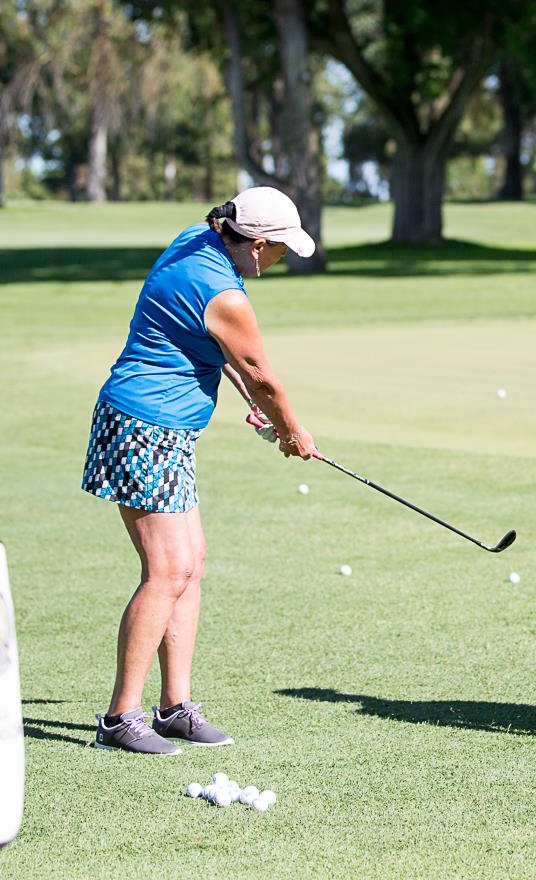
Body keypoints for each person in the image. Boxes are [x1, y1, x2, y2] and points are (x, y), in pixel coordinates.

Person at [82, 187, 320, 755]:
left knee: (190, 564)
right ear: (257, 246)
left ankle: (175, 707)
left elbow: (221, 353)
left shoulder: (197, 239)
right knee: (166, 570)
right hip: (145, 426)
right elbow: (261, 372)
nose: (282, 261)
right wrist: (293, 432)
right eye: (281, 250)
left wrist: (253, 399)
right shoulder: (226, 294)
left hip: (165, 429)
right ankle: (120, 717)